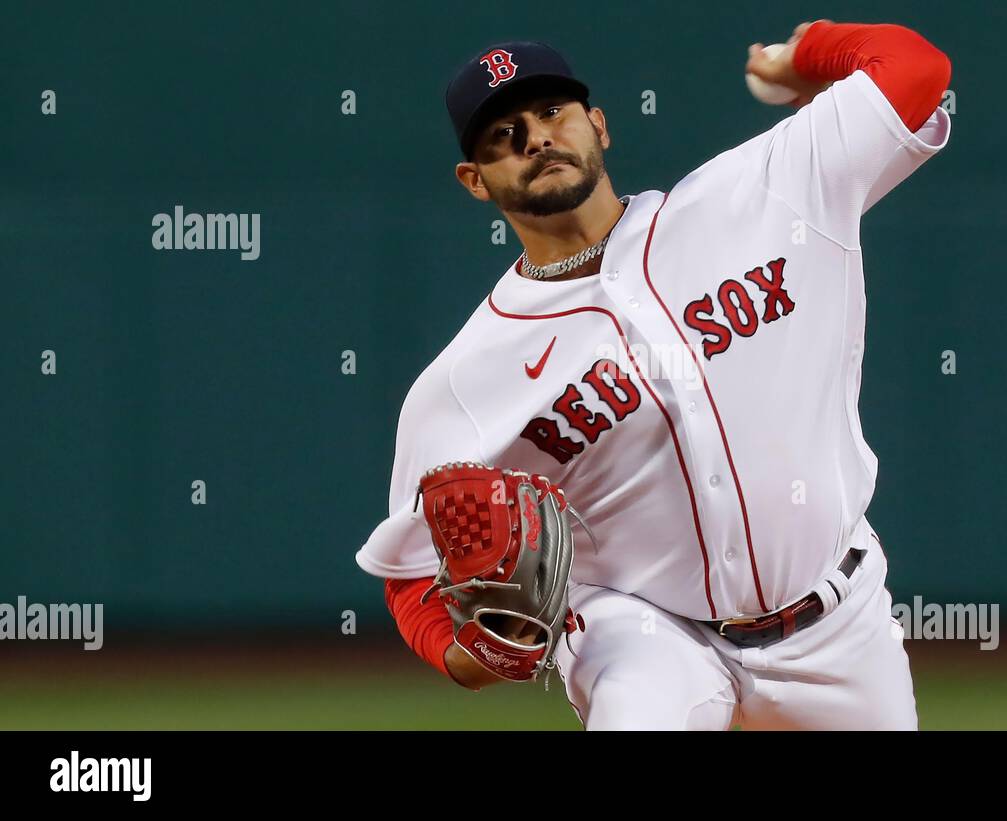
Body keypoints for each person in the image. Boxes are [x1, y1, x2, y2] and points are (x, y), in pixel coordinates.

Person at [356, 19, 952, 729]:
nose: (536, 137)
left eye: (551, 112)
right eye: (502, 135)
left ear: (599, 125)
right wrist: (466, 657)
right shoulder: (462, 382)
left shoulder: (763, 195)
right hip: (644, 630)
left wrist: (806, 52)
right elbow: (411, 571)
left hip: (838, 612)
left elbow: (915, 69)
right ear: (475, 181)